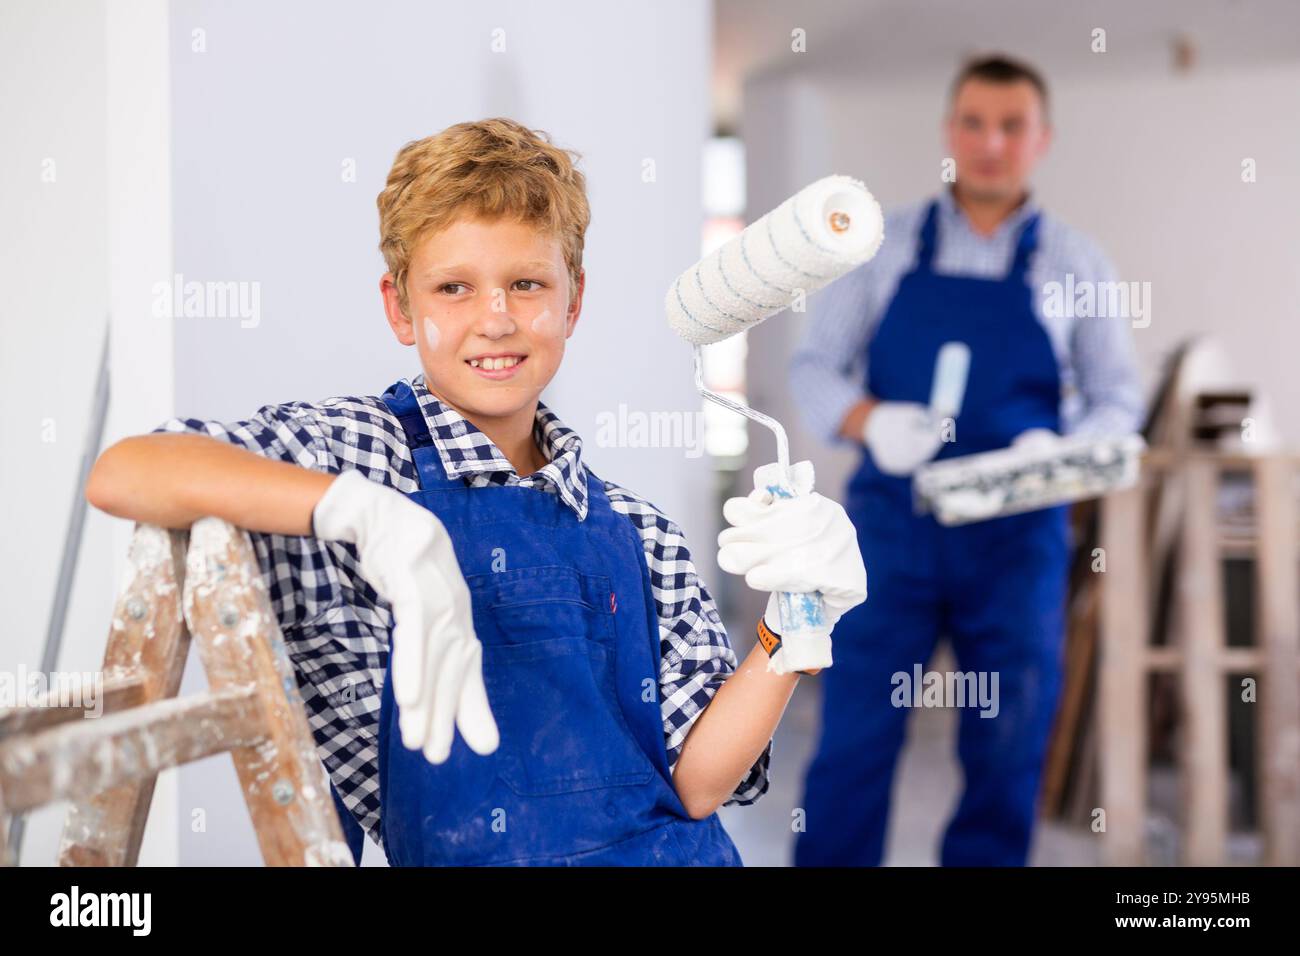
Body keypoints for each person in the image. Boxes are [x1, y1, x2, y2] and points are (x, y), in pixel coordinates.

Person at [87, 118, 866, 866]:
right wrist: (362, 514)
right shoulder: (358, 454)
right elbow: (127, 469)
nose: (495, 320)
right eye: (454, 288)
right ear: (401, 307)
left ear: (574, 301)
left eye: (526, 283)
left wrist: (789, 624)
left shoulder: (635, 527)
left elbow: (698, 785)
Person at [788, 56, 1143, 866]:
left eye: (1011, 125)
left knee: (1007, 751)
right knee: (854, 737)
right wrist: (870, 420)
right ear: (950, 132)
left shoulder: (1076, 263)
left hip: (1018, 542)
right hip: (890, 535)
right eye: (974, 123)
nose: (991, 142)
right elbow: (814, 367)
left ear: (1041, 139)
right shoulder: (880, 249)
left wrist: (1062, 451)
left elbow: (1121, 397)